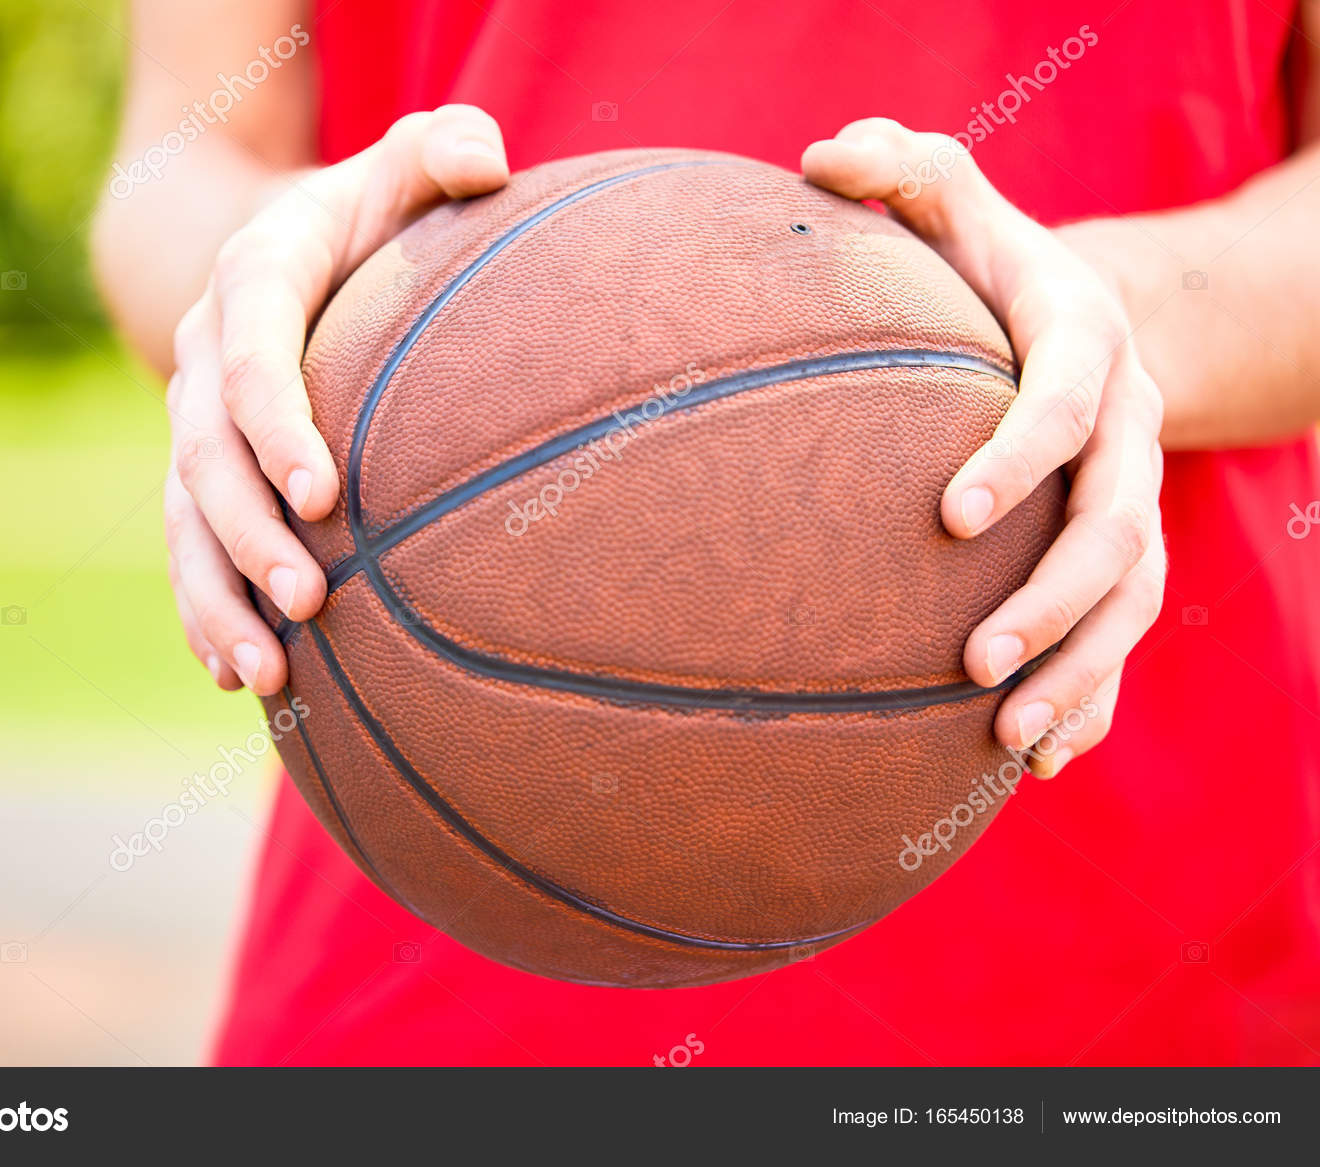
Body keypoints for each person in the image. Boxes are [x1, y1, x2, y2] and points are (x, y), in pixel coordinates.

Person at [93, 0, 1320, 1064]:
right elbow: (178, 161)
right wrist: (259, 287)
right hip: (444, 914)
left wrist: (1095, 318)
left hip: (1140, 947)